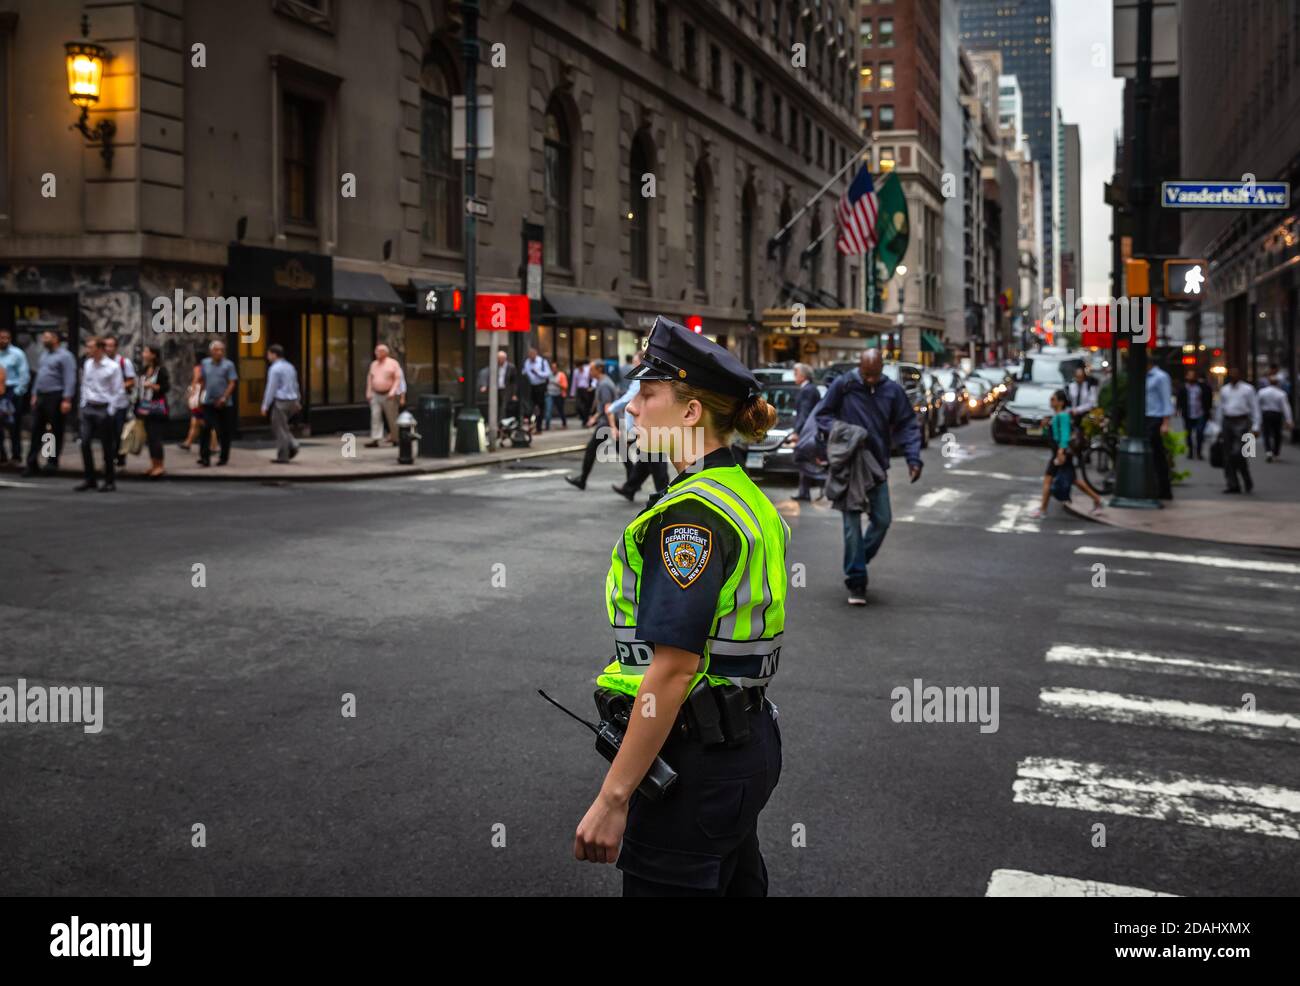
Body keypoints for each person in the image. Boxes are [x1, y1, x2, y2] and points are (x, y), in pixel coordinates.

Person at [573, 315, 786, 897]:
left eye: (648, 394)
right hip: (742, 746)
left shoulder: (691, 515)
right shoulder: (739, 492)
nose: (633, 408)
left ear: (691, 413)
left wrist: (613, 798)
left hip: (696, 763)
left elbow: (673, 668)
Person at [814, 349, 922, 606]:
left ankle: (858, 560)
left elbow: (908, 424)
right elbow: (822, 416)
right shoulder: (845, 384)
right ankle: (857, 580)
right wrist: (845, 431)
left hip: (876, 466)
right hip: (849, 466)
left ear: (882, 369)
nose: (870, 380)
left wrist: (913, 459)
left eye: (875, 375)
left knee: (883, 519)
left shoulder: (893, 391)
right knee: (851, 526)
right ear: (859, 368)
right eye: (866, 375)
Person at [1029, 389, 1104, 519]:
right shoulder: (1057, 416)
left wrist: (1061, 451)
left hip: (1060, 454)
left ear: (1061, 402)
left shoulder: (1063, 416)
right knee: (1073, 480)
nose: (1050, 401)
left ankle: (1042, 509)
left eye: (1053, 399)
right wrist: (1046, 427)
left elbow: (1064, 435)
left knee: (1048, 479)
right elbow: (1053, 436)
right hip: (1059, 453)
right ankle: (1097, 500)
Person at [609, 353, 669, 502]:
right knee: (646, 460)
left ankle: (665, 496)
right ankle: (630, 488)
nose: (634, 366)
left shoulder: (644, 378)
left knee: (655, 460)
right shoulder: (645, 376)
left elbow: (629, 398)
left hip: (649, 426)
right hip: (645, 426)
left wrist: (612, 408)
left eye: (636, 363)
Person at [22, 330, 77, 476]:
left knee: (53, 431)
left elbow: (69, 378)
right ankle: (32, 462)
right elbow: (40, 375)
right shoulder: (44, 354)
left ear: (56, 339)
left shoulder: (65, 356)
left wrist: (67, 398)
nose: (44, 339)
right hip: (41, 395)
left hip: (55, 395)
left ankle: (51, 461)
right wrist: (34, 394)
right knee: (36, 430)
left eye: (47, 337)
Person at [77, 336, 124, 492]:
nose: (88, 350)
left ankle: (109, 481)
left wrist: (110, 410)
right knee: (84, 442)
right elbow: (85, 384)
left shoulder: (112, 367)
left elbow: (118, 390)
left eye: (91, 347)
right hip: (89, 407)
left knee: (107, 446)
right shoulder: (88, 363)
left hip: (104, 408)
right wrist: (83, 403)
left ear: (100, 349)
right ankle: (90, 479)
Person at [564, 361, 619, 490]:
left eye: (592, 369)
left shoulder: (605, 384)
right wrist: (594, 417)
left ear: (599, 369)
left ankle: (582, 480)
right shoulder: (602, 382)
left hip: (607, 423)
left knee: (591, 449)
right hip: (609, 421)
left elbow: (608, 407)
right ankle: (632, 483)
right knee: (622, 451)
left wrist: (612, 427)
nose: (590, 372)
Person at [1216, 367, 1261, 494]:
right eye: (1231, 374)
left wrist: (1256, 426)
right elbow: (1220, 408)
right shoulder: (1224, 390)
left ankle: (1247, 479)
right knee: (1227, 455)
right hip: (1227, 422)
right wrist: (1218, 427)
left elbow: (1255, 407)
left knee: (1241, 453)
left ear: (1240, 375)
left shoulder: (1248, 389)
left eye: (1235, 373)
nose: (1233, 376)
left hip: (1243, 422)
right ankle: (1232, 484)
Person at [786, 363, 824, 501]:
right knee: (807, 459)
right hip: (810, 430)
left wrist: (797, 432)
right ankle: (805, 491)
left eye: (796, 374)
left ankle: (817, 488)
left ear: (803, 376)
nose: (794, 376)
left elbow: (804, 413)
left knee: (805, 459)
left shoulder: (807, 390)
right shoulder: (811, 389)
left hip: (807, 432)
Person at [198, 340, 238, 467]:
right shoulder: (205, 363)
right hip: (208, 401)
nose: (219, 352)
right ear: (211, 351)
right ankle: (204, 457)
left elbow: (232, 382)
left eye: (221, 350)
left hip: (225, 403)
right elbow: (203, 380)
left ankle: (223, 457)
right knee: (205, 429)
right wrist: (199, 397)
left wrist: (224, 397)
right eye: (216, 350)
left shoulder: (229, 365)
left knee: (224, 431)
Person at [134, 344, 170, 478]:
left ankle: (160, 466)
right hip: (144, 406)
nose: (143, 353)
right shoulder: (144, 369)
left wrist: (153, 386)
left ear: (153, 355)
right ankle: (153, 465)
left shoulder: (160, 370)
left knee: (156, 438)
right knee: (149, 438)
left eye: (146, 351)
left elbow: (166, 388)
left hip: (156, 408)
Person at [262, 344, 302, 463]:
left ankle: (283, 455)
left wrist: (265, 405)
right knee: (283, 427)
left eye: (269, 354)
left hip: (281, 401)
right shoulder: (290, 367)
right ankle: (292, 445)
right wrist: (298, 401)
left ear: (274, 354)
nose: (267, 357)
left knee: (279, 428)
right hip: (292, 401)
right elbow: (296, 385)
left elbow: (271, 388)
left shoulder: (275, 369)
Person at [103, 335, 136, 468]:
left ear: (116, 347)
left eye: (111, 346)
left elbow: (131, 380)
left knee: (119, 432)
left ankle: (120, 456)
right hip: (105, 403)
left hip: (120, 403)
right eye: (106, 346)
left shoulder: (123, 362)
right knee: (107, 433)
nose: (108, 348)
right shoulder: (101, 363)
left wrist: (120, 386)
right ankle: (109, 459)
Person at [0, 328, 30, 466]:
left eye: (6, 338)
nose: (3, 340)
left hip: (12, 391)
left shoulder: (17, 354)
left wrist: (17, 392)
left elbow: (24, 375)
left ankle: (16, 455)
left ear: (10, 339)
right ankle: (2, 455)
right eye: (1, 338)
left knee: (13, 425)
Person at [1145, 361, 1174, 500]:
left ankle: (1164, 489)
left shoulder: (1161, 377)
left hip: (1155, 418)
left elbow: (1166, 399)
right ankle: (1156, 487)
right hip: (1146, 418)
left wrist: (1165, 423)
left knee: (1157, 456)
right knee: (1152, 456)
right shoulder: (1144, 377)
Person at [365, 344, 402, 447]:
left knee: (392, 417)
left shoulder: (393, 363)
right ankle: (376, 439)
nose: (377, 353)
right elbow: (370, 378)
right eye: (376, 351)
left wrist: (393, 391)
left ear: (385, 353)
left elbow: (397, 379)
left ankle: (395, 438)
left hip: (388, 394)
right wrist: (369, 391)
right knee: (375, 416)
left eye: (379, 351)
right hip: (376, 394)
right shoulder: (373, 364)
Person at [178, 355, 217, 454]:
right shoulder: (211, 368)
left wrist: (191, 392)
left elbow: (196, 380)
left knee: (204, 423)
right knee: (195, 422)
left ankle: (213, 446)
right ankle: (188, 443)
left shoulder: (198, 368)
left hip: (200, 397)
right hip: (207, 396)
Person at [1177, 368, 1213, 460]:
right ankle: (1190, 451)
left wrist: (1208, 411)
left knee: (1199, 433)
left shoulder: (1203, 387)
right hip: (1188, 414)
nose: (1191, 377)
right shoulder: (1183, 387)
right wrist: (1178, 409)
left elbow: (1209, 399)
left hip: (1200, 413)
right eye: (1189, 375)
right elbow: (1179, 399)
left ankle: (1199, 452)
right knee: (1188, 434)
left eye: (1193, 375)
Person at [1258, 375, 1292, 462]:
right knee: (1277, 434)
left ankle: (1268, 451)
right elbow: (1285, 407)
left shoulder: (1262, 392)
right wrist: (1289, 420)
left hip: (1266, 414)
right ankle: (1276, 453)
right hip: (1277, 415)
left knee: (1266, 433)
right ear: (1278, 383)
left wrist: (1257, 417)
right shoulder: (1281, 393)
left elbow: (1258, 404)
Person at [477, 348, 516, 424]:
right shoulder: (493, 366)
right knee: (495, 406)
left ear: (505, 358)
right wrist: (484, 385)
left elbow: (514, 381)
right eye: (498, 359)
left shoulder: (511, 367)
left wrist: (514, 393)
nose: (500, 360)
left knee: (503, 406)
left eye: (501, 358)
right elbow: (486, 374)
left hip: (505, 389)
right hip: (495, 388)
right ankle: (496, 422)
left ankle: (501, 422)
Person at [522, 347, 551, 432]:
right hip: (531, 386)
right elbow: (524, 371)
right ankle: (531, 424)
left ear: (535, 354)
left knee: (540, 407)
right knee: (531, 406)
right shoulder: (527, 362)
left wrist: (538, 373)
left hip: (541, 386)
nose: (531, 357)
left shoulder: (542, 362)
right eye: (529, 355)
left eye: (532, 355)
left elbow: (547, 374)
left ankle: (539, 426)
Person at [545, 363, 569, 430]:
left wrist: (556, 384)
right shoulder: (548, 375)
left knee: (560, 410)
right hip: (550, 394)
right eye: (552, 368)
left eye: (554, 368)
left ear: (557, 368)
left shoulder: (561, 375)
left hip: (559, 394)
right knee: (548, 410)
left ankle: (564, 423)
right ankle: (547, 425)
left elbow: (565, 386)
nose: (553, 369)